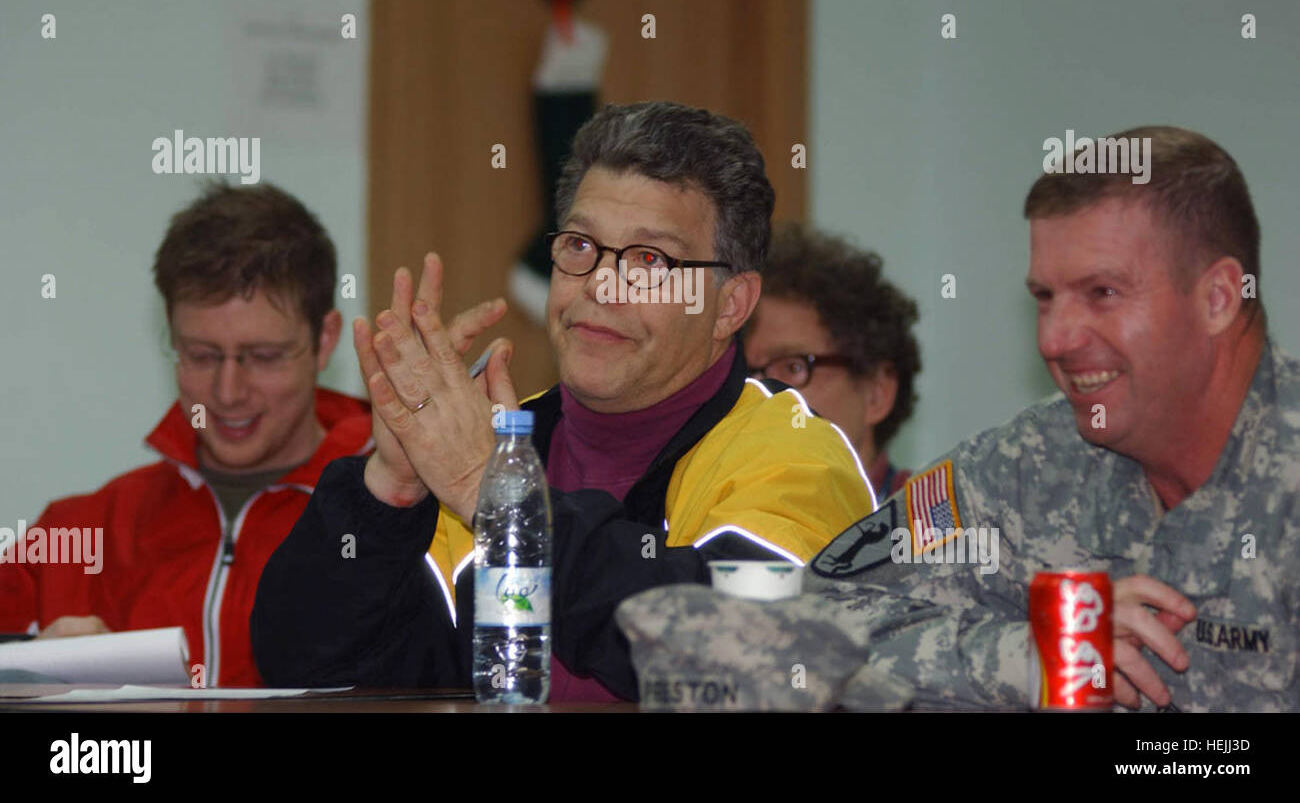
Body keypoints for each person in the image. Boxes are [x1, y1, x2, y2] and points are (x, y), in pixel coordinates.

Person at [617, 125, 1300, 712]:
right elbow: (814, 614)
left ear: (1216, 298)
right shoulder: (1035, 464)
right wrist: (1034, 655)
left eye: (1102, 293)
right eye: (1044, 297)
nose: (1056, 338)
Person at [251, 101, 877, 701]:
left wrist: (490, 491)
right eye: (580, 246)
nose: (601, 286)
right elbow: (306, 664)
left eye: (649, 259)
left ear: (730, 306)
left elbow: (750, 655)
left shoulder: (798, 457)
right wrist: (389, 490)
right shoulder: (500, 440)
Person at [0, 182, 374, 687]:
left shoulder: (397, 521)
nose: (228, 391)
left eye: (262, 357)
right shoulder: (77, 533)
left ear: (324, 340)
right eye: (201, 355)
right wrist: (25, 673)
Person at [744, 223, 920, 497]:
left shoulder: (930, 529)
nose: (756, 391)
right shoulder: (708, 521)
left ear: (877, 393)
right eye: (743, 372)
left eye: (793, 367)